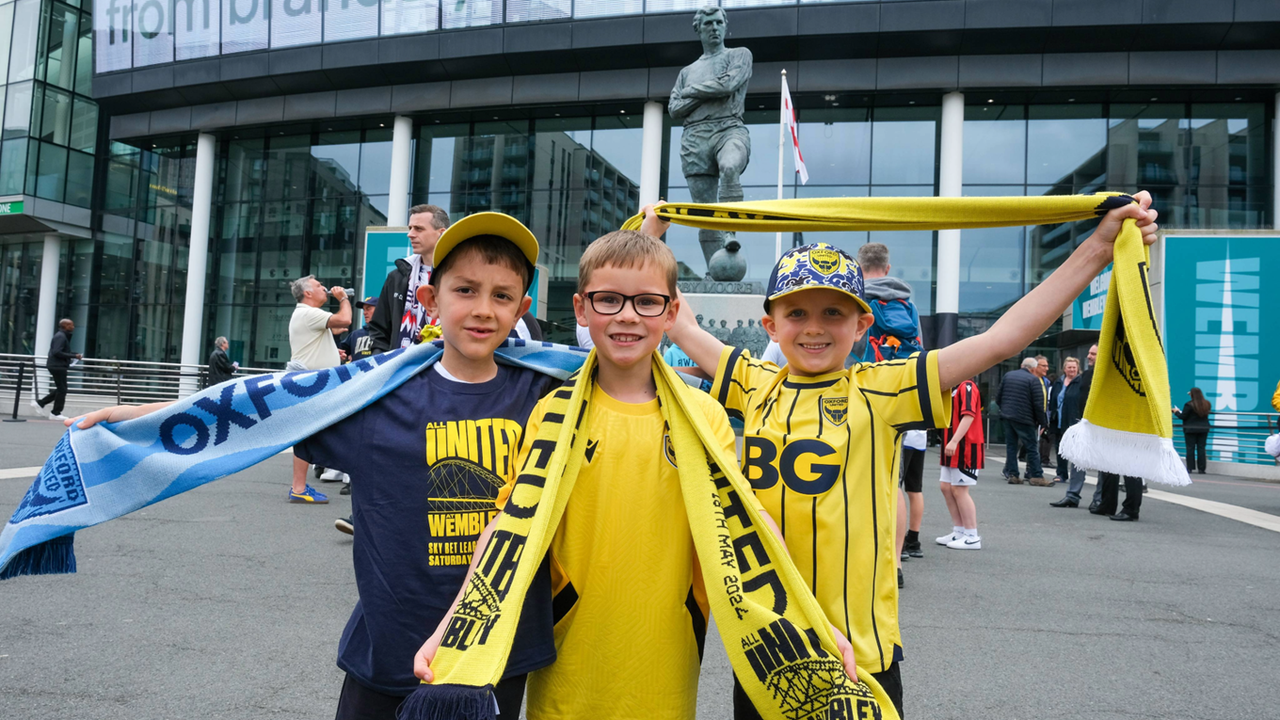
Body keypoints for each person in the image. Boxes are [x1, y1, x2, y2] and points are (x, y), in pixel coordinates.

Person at [661, 189, 1161, 719]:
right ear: (770, 326)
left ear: (861, 325)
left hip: (860, 651)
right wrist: (652, 240)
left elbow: (1001, 338)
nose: (813, 326)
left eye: (834, 312)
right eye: (796, 311)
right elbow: (682, 323)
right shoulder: (753, 381)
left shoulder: (884, 388)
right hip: (772, 647)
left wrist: (1097, 248)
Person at [415, 229, 859, 720]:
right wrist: (452, 626)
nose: (627, 315)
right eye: (609, 300)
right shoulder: (552, 412)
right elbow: (505, 528)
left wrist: (810, 621)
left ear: (670, 314)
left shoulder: (702, 416)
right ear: (583, 310)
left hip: (666, 654)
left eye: (646, 302)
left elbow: (750, 527)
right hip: (570, 655)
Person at [286, 275, 351, 504]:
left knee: (309, 434)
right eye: (318, 286)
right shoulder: (308, 312)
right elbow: (345, 320)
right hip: (312, 383)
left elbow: (325, 336)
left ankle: (301, 486)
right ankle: (299, 487)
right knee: (307, 435)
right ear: (308, 293)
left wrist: (335, 354)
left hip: (311, 382)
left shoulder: (306, 315)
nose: (324, 287)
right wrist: (343, 298)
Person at [368, 204, 449, 353]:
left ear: (441, 233)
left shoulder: (461, 276)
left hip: (446, 364)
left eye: (418, 229)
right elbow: (380, 329)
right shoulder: (397, 276)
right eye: (410, 228)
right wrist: (382, 362)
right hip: (401, 367)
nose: (410, 234)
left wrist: (453, 341)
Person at [936, 377, 984, 550]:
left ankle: (972, 535)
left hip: (965, 447)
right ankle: (959, 530)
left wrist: (955, 440)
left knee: (960, 490)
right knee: (946, 487)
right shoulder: (955, 387)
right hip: (953, 445)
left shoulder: (968, 386)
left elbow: (969, 415)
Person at [1049, 356, 1093, 508]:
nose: (1072, 370)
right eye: (1069, 367)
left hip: (1075, 423)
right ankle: (1062, 475)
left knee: (1077, 456)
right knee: (1061, 449)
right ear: (1064, 368)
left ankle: (1078, 495)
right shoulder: (1059, 382)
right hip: (1060, 421)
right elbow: (1053, 401)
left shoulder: (1082, 381)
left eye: (1074, 367)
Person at [997, 357, 1049, 486]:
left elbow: (998, 397)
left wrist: (1005, 410)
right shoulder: (1033, 380)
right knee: (1031, 447)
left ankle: (1013, 474)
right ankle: (1037, 476)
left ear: (1022, 365)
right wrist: (1043, 422)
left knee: (1011, 446)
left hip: (1008, 416)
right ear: (1033, 369)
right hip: (1025, 419)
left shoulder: (1008, 376)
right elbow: (1038, 405)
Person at [31, 318, 81, 421]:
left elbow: (59, 351)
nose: (73, 327)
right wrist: (73, 356)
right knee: (62, 389)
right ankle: (55, 412)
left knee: (61, 388)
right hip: (57, 366)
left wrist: (73, 355)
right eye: (71, 325)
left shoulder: (62, 336)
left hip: (57, 365)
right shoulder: (61, 336)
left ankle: (41, 403)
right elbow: (57, 352)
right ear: (65, 326)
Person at [1173, 387, 1211, 474]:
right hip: (1203, 429)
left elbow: (1183, 416)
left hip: (1190, 429)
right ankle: (1202, 469)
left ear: (1192, 395)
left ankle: (1190, 468)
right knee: (1201, 448)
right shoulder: (1207, 404)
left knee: (1190, 448)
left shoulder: (1189, 405)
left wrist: (1176, 411)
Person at [338, 297, 378, 363]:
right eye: (364, 310)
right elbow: (339, 353)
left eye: (368, 309)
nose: (364, 313)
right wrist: (336, 336)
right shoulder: (355, 334)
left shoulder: (390, 334)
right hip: (360, 373)